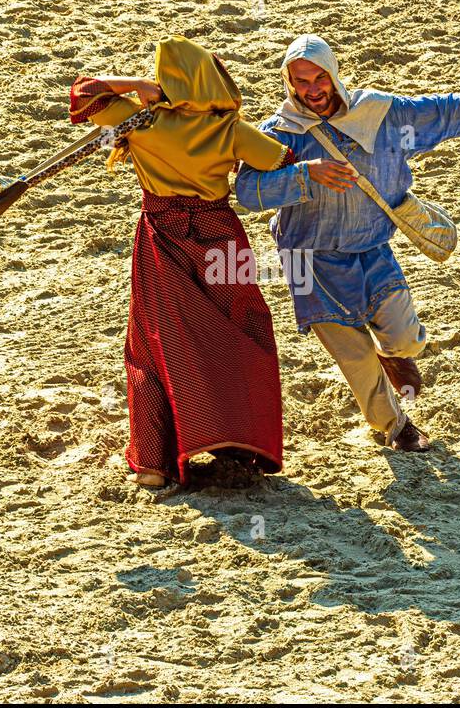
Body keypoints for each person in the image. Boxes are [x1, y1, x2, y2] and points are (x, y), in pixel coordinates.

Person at [236, 34, 460, 452]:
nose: (313, 90)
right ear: (289, 83)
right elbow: (249, 193)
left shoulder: (379, 114)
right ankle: (395, 426)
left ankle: (393, 355)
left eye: (320, 78)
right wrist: (304, 175)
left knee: (406, 340)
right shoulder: (278, 134)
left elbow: (440, 113)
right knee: (354, 357)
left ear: (334, 75)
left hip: (373, 248)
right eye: (302, 82)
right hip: (309, 259)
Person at [69, 36, 293, 488]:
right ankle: (239, 440)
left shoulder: (140, 121)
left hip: (161, 234)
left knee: (154, 343)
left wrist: (135, 85)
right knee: (241, 330)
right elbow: (283, 160)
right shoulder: (231, 131)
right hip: (219, 236)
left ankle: (153, 462)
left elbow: (81, 95)